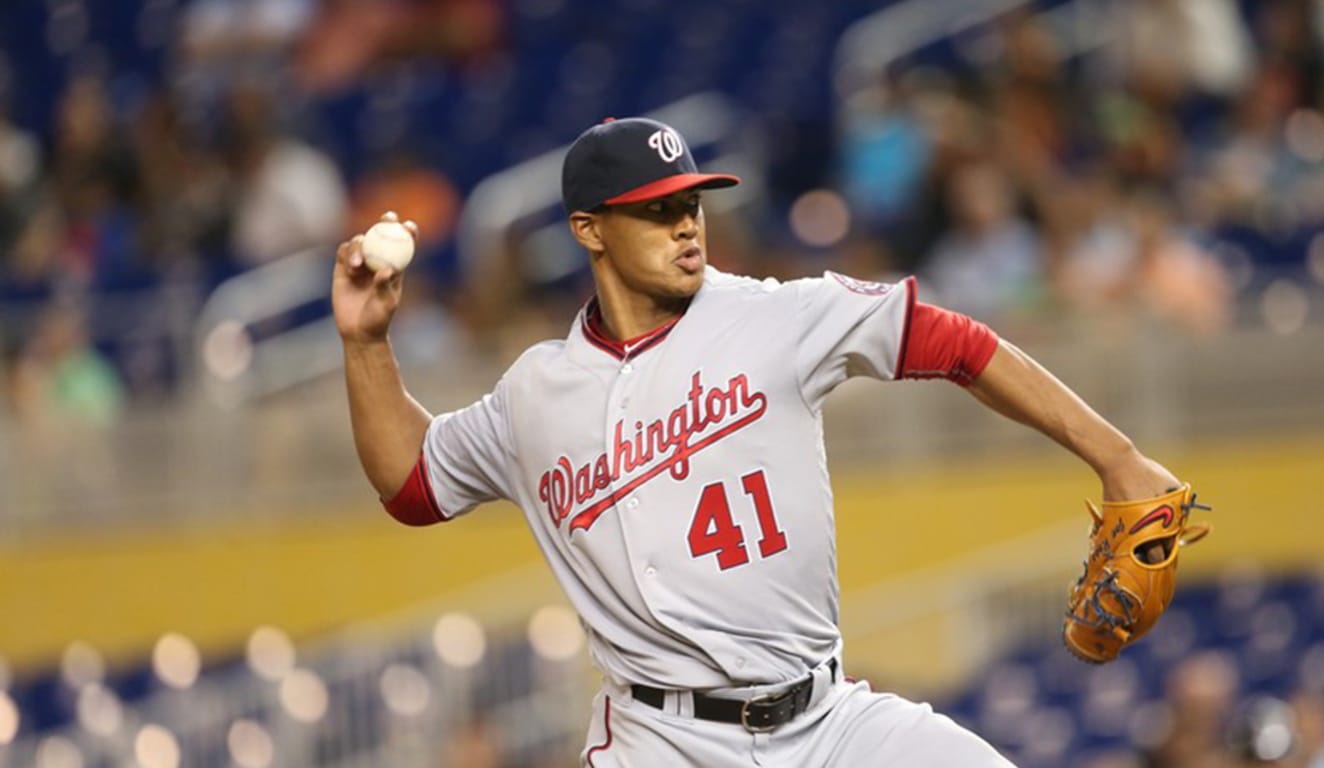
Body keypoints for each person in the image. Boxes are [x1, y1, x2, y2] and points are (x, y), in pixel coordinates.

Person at [332, 117, 1188, 766]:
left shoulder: (776, 315)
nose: (686, 225)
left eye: (691, 203)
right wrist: (366, 344)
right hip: (659, 742)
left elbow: (955, 342)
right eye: (656, 211)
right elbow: (411, 485)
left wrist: (1117, 457)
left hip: (828, 724)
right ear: (589, 229)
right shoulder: (535, 393)